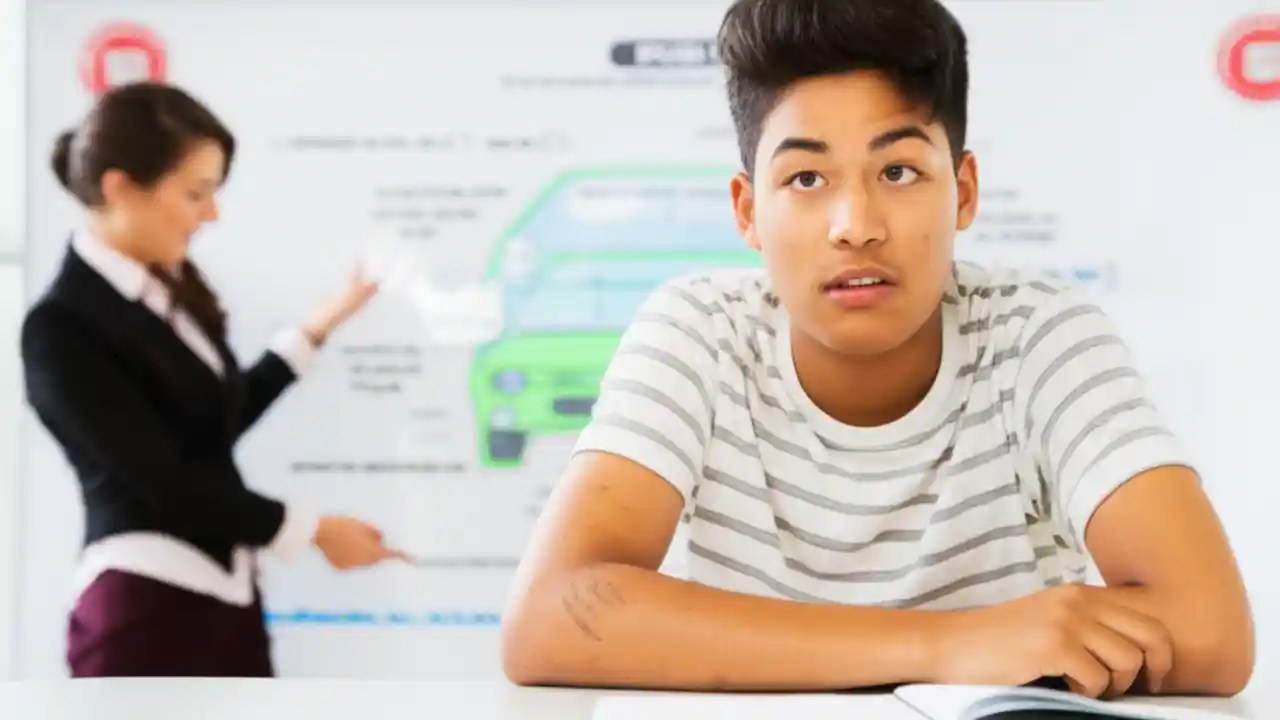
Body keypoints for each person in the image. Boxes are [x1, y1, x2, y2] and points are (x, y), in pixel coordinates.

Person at [501, 0, 1253, 698]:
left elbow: (1211, 633)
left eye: (897, 171)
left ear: (962, 191)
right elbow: (550, 617)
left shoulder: (1039, 336)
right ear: (747, 210)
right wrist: (951, 648)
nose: (853, 224)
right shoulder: (700, 330)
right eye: (805, 178)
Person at [22, 82, 406, 678]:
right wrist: (313, 530)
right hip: (142, 609)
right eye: (196, 193)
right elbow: (162, 480)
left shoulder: (168, 289)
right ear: (120, 188)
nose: (213, 213)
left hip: (228, 599)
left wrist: (315, 328)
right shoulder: (59, 330)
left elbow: (213, 422)